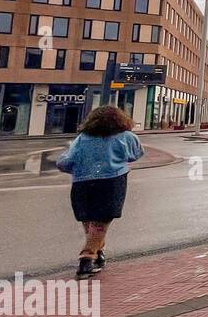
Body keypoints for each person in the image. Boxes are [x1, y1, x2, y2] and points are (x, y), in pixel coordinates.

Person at [55, 105, 144, 278]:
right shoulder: (126, 137)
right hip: (111, 182)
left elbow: (64, 162)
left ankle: (98, 253)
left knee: (90, 221)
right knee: (100, 222)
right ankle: (86, 259)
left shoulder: (83, 138)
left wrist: (81, 169)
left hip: (82, 183)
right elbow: (136, 154)